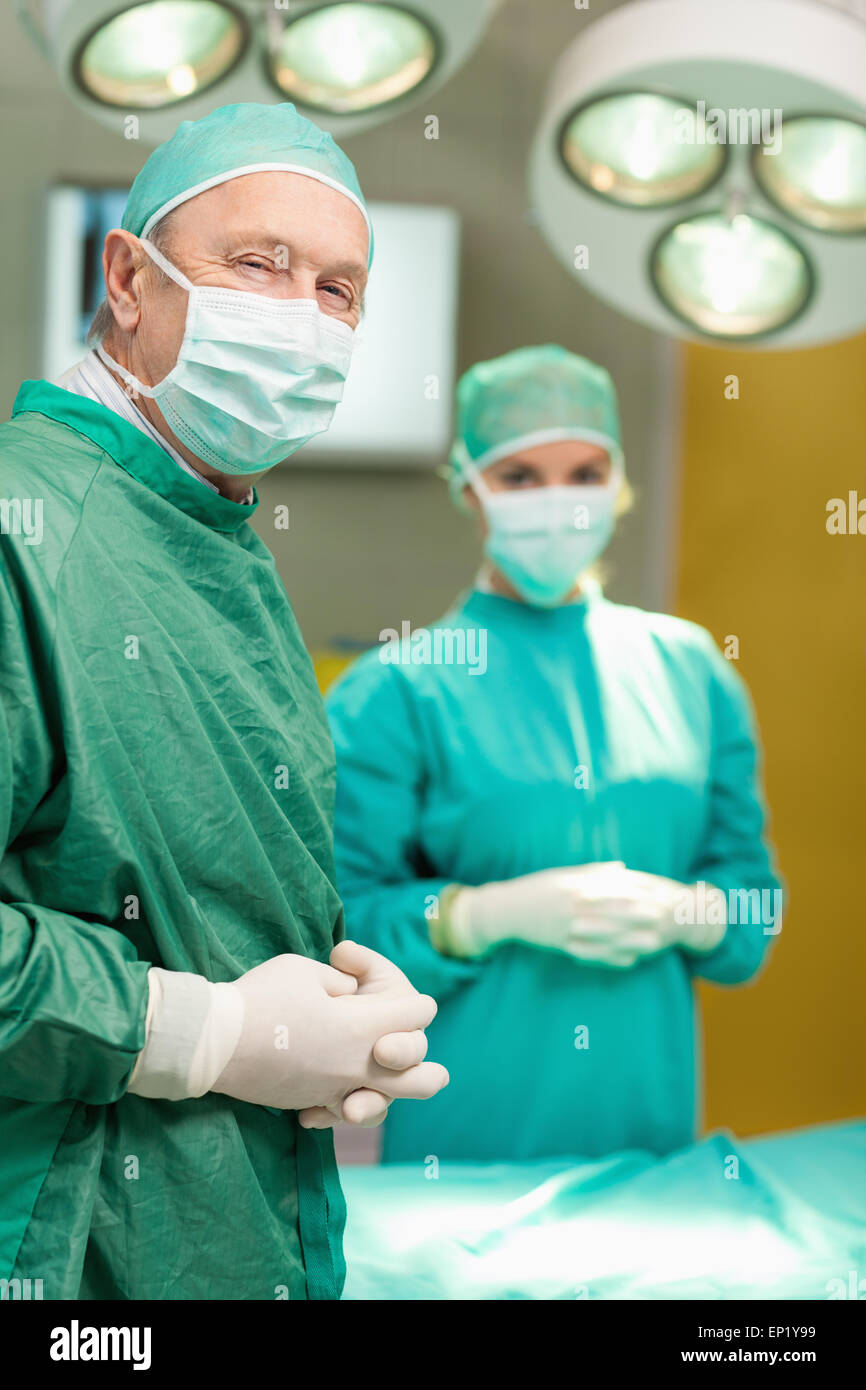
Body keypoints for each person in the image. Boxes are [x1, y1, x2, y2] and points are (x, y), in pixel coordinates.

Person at [0, 102, 447, 1301]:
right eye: (259, 264)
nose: (301, 317)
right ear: (128, 278)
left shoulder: (208, 534)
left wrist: (340, 1002)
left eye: (338, 290)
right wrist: (206, 1034)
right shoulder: (25, 532)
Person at [326, 344, 783, 1164]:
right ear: (470, 488)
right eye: (521, 477)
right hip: (462, 1151)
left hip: (650, 1148)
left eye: (584, 470)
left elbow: (755, 911)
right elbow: (336, 928)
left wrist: (695, 912)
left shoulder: (689, 669)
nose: (558, 500)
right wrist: (477, 919)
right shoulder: (396, 690)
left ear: (619, 484)